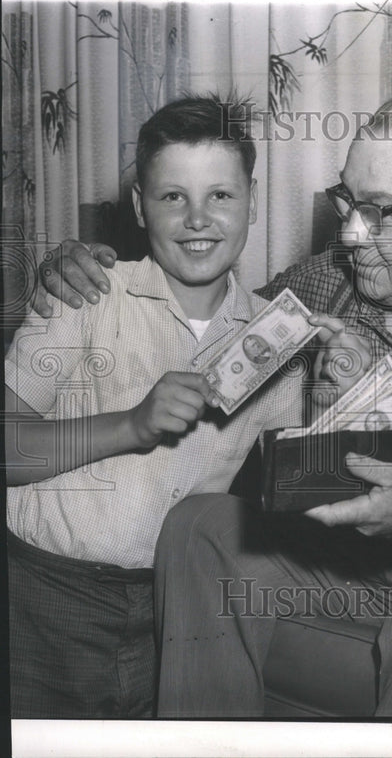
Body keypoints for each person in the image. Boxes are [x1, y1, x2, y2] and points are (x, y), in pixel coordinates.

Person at [30, 85, 392, 716]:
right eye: (346, 201)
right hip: (368, 568)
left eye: (379, 211)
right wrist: (76, 263)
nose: (351, 236)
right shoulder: (324, 282)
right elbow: (205, 301)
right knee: (203, 526)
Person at [4, 93, 353, 719]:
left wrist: (335, 399)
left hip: (180, 611)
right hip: (45, 599)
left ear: (252, 199)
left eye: (221, 195)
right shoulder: (86, 291)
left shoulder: (278, 339)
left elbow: (300, 502)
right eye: (173, 197)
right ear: (139, 206)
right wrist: (132, 425)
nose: (198, 218)